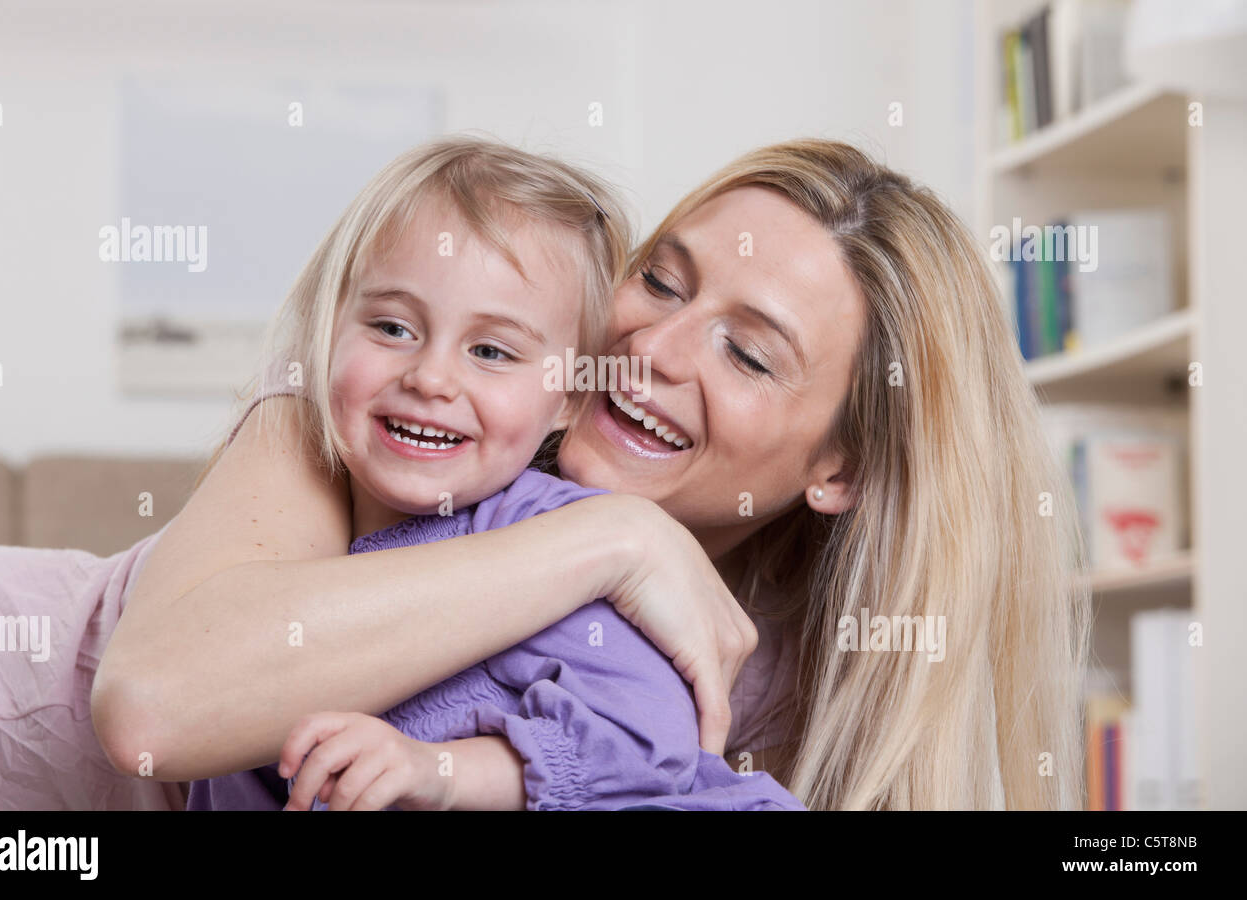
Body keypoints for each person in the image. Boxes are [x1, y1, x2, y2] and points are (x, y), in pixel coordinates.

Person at [92, 138, 1089, 810]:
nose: (653, 345)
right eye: (659, 278)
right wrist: (615, 539)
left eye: (746, 354)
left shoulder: (784, 679)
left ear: (841, 468)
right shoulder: (360, 419)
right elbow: (153, 710)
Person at [180, 135, 801, 810]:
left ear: (567, 397)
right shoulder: (281, 559)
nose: (430, 377)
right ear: (328, 333)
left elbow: (650, 741)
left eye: (491, 351)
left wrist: (438, 772)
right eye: (391, 328)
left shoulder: (549, 536)